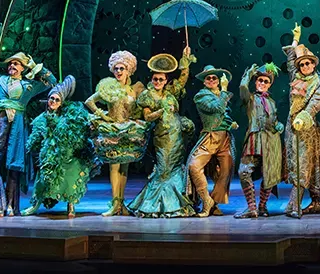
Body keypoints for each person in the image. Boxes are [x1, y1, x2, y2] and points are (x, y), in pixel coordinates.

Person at [0, 24, 56, 217]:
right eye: (10, 64)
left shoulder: (28, 85)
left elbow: (51, 82)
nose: (12, 66)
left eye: (16, 64)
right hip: (0, 123)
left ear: (23, 68)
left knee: (14, 164)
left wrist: (35, 66)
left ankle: (11, 206)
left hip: (18, 125)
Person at [128, 49, 196, 218]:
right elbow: (147, 117)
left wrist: (185, 60)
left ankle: (177, 203)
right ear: (152, 79)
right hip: (163, 138)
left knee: (174, 168)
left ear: (166, 81)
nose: (158, 81)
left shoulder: (170, 92)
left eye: (161, 79)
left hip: (177, 136)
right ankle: (157, 205)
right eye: (155, 79)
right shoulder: (147, 95)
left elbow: (182, 80)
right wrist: (160, 111)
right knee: (163, 170)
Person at [85, 50, 151, 216]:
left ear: (129, 70)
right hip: (113, 130)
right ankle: (115, 203)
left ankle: (121, 203)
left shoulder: (134, 89)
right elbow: (89, 101)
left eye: (122, 68)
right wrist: (103, 116)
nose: (119, 71)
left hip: (128, 129)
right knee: (114, 166)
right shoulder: (108, 87)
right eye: (116, 69)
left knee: (124, 167)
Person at [22, 76, 96, 219]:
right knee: (44, 177)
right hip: (50, 155)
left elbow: (81, 129)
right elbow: (36, 139)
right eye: (51, 99)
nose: (53, 102)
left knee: (72, 172)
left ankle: (71, 205)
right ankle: (35, 204)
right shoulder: (41, 118)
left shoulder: (69, 116)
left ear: (61, 102)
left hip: (69, 155)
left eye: (57, 100)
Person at [284, 23, 320, 217]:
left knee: (303, 166)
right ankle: (316, 203)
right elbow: (290, 61)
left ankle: (294, 205)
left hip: (307, 130)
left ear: (313, 64)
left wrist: (301, 119)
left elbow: (312, 107)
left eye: (307, 63)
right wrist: (296, 40)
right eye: (301, 64)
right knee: (302, 165)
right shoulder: (295, 79)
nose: (304, 66)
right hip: (292, 129)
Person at [187, 64, 238, 217]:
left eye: (214, 77)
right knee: (194, 166)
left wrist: (230, 123)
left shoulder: (220, 95)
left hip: (224, 138)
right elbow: (216, 108)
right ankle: (206, 201)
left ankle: (214, 204)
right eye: (208, 78)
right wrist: (224, 90)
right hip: (210, 137)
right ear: (204, 81)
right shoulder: (201, 96)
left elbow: (224, 114)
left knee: (225, 171)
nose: (211, 80)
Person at [234, 63, 285, 219]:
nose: (262, 83)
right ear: (255, 82)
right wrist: (248, 74)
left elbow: (273, 120)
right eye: (260, 80)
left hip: (271, 141)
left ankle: (262, 207)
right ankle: (251, 208)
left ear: (270, 84)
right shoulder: (250, 98)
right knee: (244, 171)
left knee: (269, 174)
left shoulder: (272, 102)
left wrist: (278, 125)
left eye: (265, 81)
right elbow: (242, 88)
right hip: (255, 139)